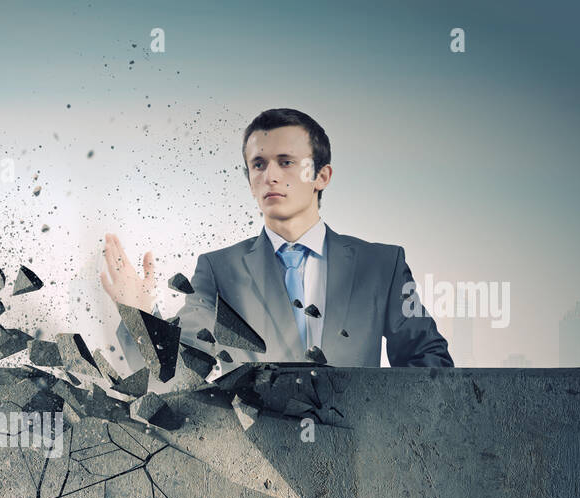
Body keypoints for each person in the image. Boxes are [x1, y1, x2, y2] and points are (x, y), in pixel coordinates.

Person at [102, 107, 453, 370]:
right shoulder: (219, 270)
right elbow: (176, 371)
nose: (270, 175)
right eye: (259, 164)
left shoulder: (381, 266)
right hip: (257, 461)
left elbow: (428, 362)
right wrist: (139, 313)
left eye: (286, 162)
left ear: (322, 175)